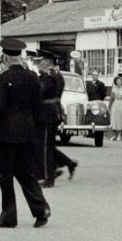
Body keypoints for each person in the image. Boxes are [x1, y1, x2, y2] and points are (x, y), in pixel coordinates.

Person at [0, 38, 49, 227]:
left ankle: (9, 216)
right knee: (26, 172)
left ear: (4, 57)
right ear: (19, 56)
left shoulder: (2, 79)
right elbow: (38, 107)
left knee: (5, 174)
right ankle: (41, 209)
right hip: (27, 131)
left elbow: (1, 108)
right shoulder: (32, 77)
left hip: (6, 133)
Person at [31, 49, 76, 188]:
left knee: (44, 147)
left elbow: (40, 93)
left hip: (46, 114)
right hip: (52, 113)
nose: (38, 64)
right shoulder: (55, 74)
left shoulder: (48, 76)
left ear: (47, 61)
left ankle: (48, 177)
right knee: (47, 146)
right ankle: (67, 163)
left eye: (40, 61)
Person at [108, 76, 122, 142]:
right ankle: (115, 134)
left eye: (120, 81)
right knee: (114, 119)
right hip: (115, 104)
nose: (119, 82)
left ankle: (120, 134)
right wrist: (109, 107)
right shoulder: (113, 89)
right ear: (116, 82)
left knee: (121, 119)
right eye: (117, 81)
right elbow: (111, 98)